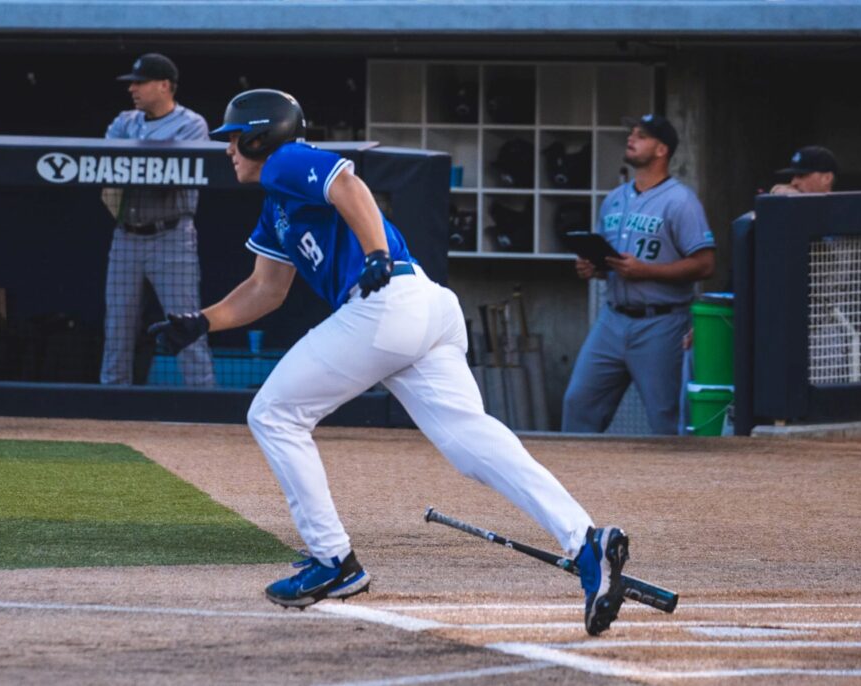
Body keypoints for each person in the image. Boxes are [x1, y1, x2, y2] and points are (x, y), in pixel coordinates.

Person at [149, 89, 631, 635]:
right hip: (422, 309)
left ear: (261, 136)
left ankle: (333, 561)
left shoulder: (286, 160)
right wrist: (202, 321)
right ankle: (586, 541)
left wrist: (375, 251)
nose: (228, 149)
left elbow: (347, 185)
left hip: (385, 303)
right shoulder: (274, 206)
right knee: (471, 445)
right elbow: (266, 289)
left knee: (274, 414)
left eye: (234, 138)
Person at [563, 114, 715, 435]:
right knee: (579, 404)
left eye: (641, 136)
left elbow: (705, 264)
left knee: (666, 419)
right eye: (631, 133)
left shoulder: (681, 201)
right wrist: (593, 268)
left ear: (661, 150)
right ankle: (573, 481)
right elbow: (611, 260)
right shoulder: (615, 198)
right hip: (612, 320)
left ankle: (671, 486)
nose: (631, 139)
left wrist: (648, 271)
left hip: (661, 323)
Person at [99, 54, 214, 387]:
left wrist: (133, 169)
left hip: (171, 236)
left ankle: (205, 403)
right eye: (132, 83)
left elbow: (171, 180)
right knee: (117, 326)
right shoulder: (124, 122)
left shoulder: (191, 124)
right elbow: (106, 167)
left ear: (164, 86)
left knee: (185, 322)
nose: (132, 89)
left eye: (140, 82)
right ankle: (111, 401)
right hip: (126, 236)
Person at [768, 145, 838, 195]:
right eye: (794, 176)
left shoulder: (844, 211)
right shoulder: (790, 207)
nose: (793, 183)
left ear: (826, 178)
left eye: (801, 175)